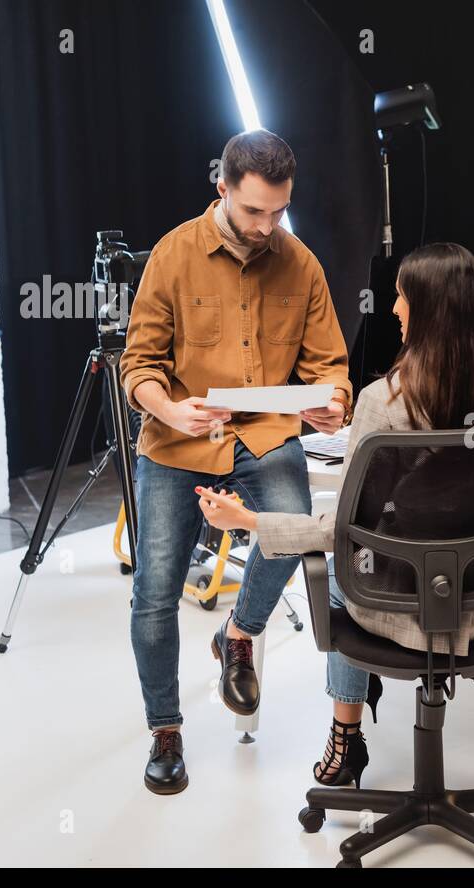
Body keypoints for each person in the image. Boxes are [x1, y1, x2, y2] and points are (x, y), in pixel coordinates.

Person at [195, 242, 474, 789]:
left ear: (426, 309)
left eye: (401, 297)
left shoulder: (383, 400)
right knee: (365, 554)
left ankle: (345, 737)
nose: (393, 309)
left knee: (341, 573)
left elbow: (341, 531)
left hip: (396, 611)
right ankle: (346, 730)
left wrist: (251, 523)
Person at [120, 130, 352, 795]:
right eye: (254, 211)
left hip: (265, 433)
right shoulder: (172, 255)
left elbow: (329, 366)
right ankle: (165, 729)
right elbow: (138, 366)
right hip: (178, 438)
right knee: (154, 593)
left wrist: (334, 400)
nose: (267, 226)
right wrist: (169, 411)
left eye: (278, 211)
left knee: (292, 528)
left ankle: (239, 634)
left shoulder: (299, 263)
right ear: (222, 188)